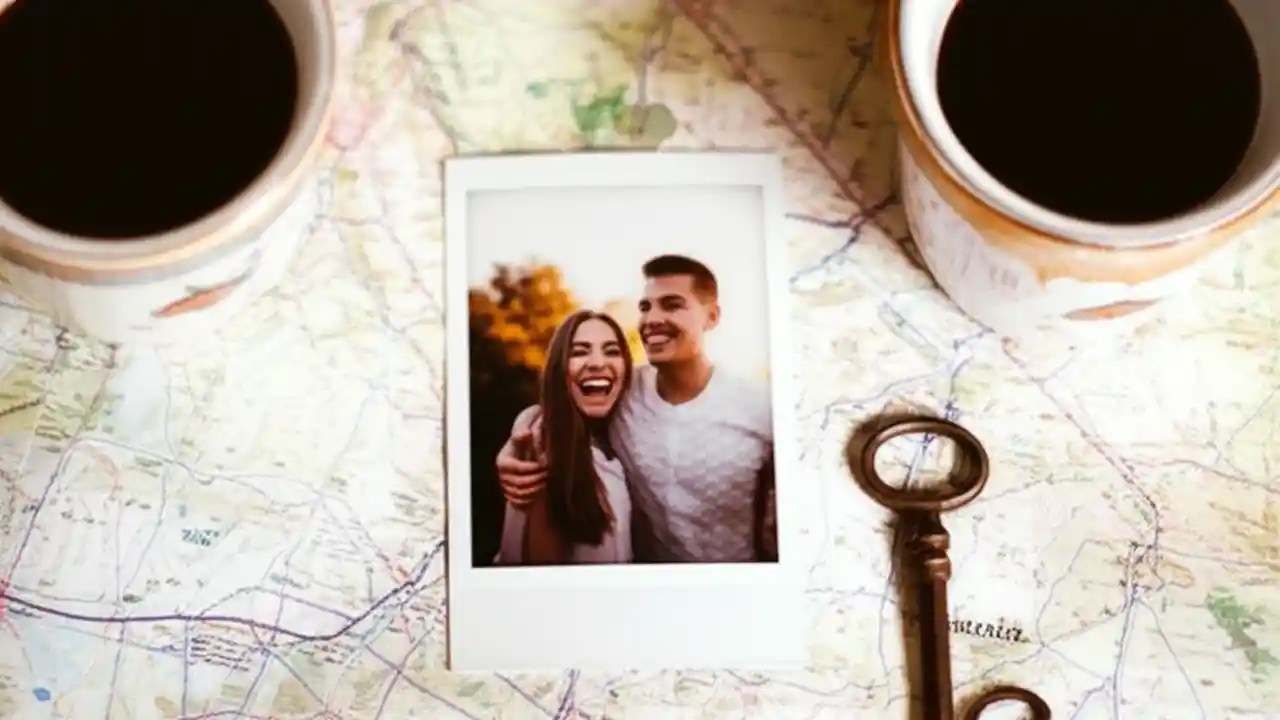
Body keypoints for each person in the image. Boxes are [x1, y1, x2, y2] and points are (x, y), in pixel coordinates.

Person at [497, 255, 776, 563]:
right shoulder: (623, 393)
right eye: (645, 307)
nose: (651, 319)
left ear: (711, 316)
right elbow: (562, 405)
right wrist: (520, 435)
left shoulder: (762, 408)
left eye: (671, 305)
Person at [494, 310, 635, 565]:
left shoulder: (608, 440)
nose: (597, 362)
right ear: (559, 368)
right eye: (579, 352)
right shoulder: (542, 445)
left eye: (612, 351)